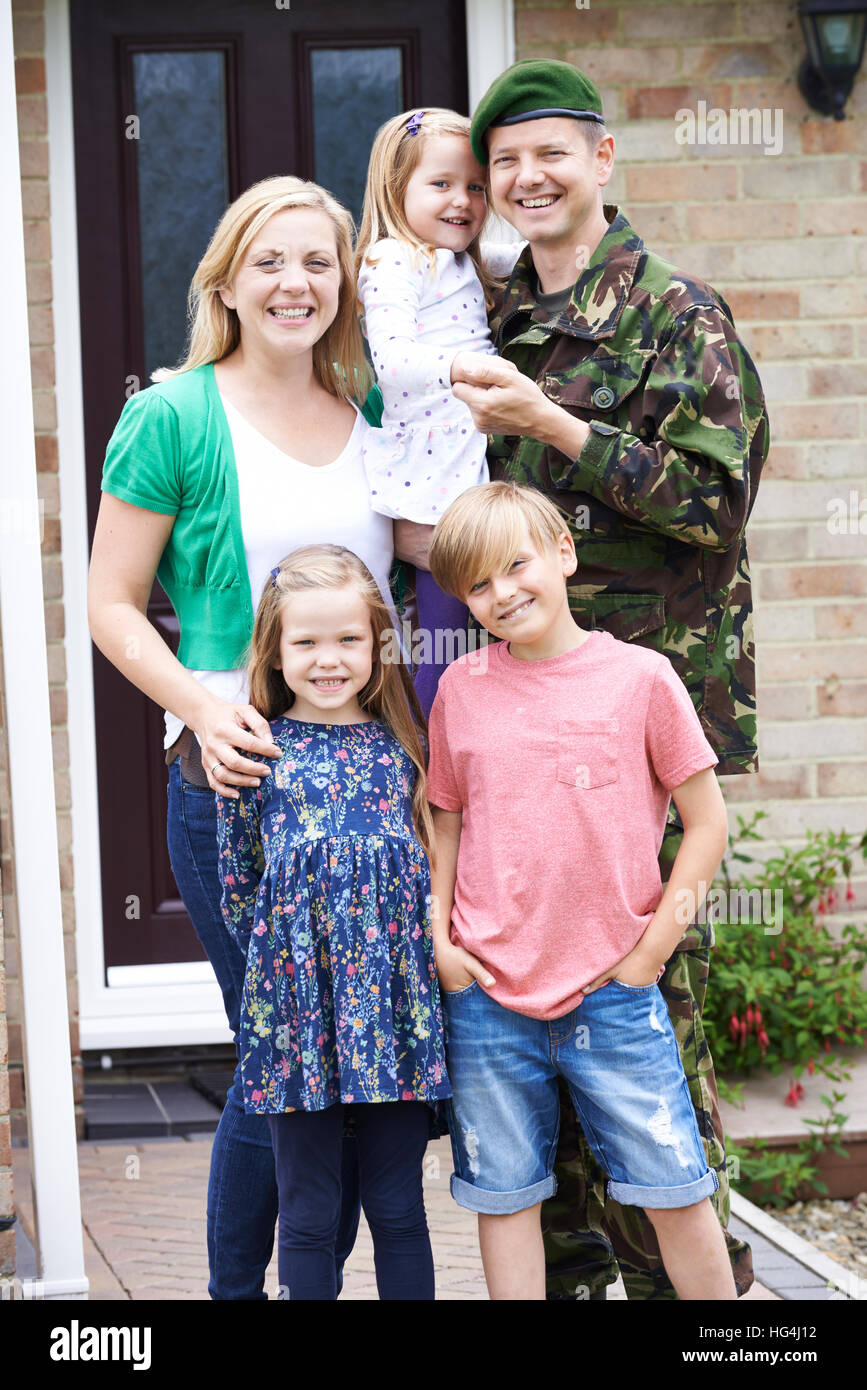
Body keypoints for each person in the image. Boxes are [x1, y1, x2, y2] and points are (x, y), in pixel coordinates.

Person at [434, 58, 770, 1300]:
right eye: (505, 163)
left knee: (651, 1080)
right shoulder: (487, 322)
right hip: (517, 729)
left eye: (550, 153)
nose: (527, 178)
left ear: (602, 160)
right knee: (540, 1120)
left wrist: (557, 424)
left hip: (643, 724)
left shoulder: (679, 315)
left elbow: (716, 505)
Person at [87, 176, 391, 1299]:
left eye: (318, 261)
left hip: (362, 794)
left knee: (349, 1077)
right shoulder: (171, 417)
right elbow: (110, 602)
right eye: (269, 260)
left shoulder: (370, 409)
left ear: (344, 283)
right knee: (281, 1061)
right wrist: (204, 706)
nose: (294, 283)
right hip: (239, 782)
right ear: (224, 282)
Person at [426, 481, 737, 1302]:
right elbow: (445, 824)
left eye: (515, 565)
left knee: (674, 1188)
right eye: (477, 585)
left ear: (562, 552)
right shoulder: (460, 688)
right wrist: (440, 944)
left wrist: (647, 958)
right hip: (487, 995)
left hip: (613, 994)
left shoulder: (642, 678)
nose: (501, 593)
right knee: (504, 1196)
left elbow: (707, 824)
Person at [216, 544, 451, 1300]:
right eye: (306, 642)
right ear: (274, 650)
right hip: (296, 1020)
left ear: (378, 643)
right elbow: (240, 888)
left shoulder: (407, 749)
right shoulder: (254, 753)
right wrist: (292, 973)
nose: (328, 659)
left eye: (348, 639)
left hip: (393, 1017)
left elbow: (435, 871)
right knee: (309, 1212)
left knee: (398, 1207)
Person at [355, 107, 521, 715]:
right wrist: (464, 367)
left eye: (476, 186)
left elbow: (536, 252)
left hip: (463, 457)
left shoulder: (462, 258)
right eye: (441, 184)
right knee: (447, 644)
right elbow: (393, 360)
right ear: (395, 187)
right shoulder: (392, 259)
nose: (463, 201)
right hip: (434, 470)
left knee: (477, 638)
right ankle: (427, 754)